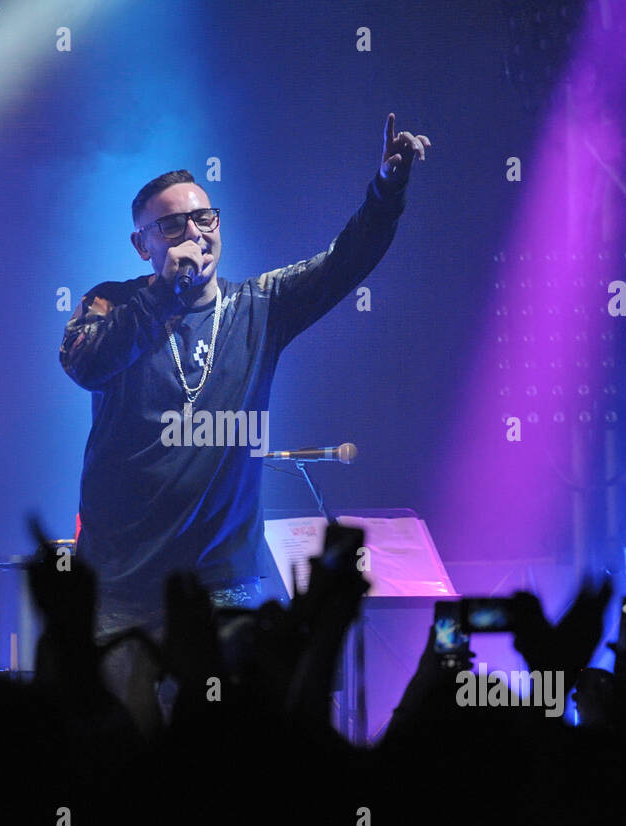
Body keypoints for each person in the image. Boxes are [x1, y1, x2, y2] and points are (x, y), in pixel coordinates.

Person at [59, 113, 431, 735]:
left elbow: (345, 262)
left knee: (219, 759)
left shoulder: (260, 307)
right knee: (120, 757)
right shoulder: (115, 301)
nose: (194, 233)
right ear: (142, 244)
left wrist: (386, 188)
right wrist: (163, 296)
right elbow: (84, 364)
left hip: (219, 581)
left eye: (205, 218)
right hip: (122, 584)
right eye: (172, 224)